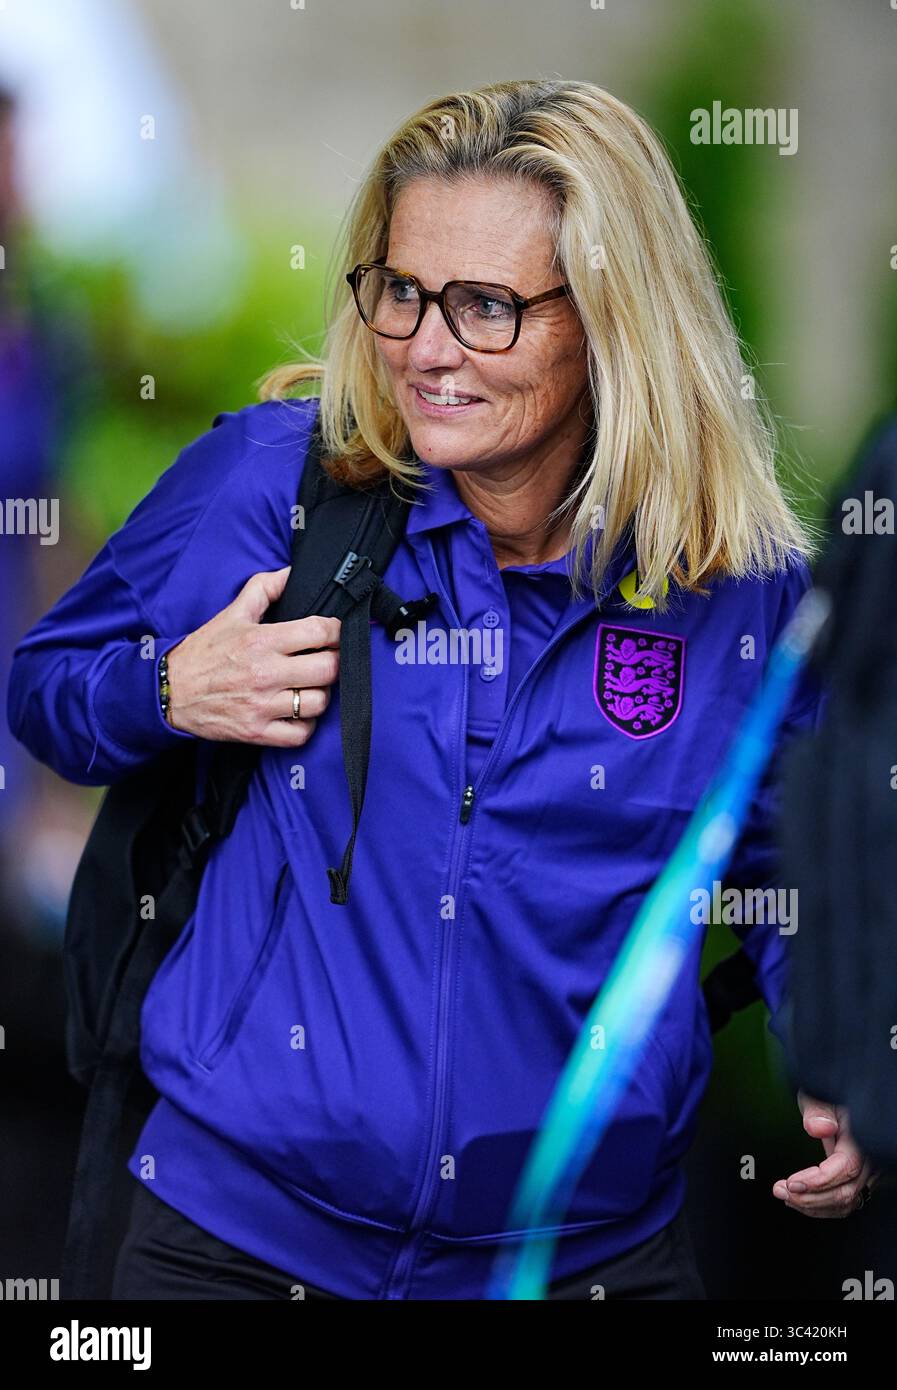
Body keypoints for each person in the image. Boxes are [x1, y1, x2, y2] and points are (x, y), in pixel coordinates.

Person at [6, 79, 871, 1301]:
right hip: (232, 1247)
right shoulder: (275, 487)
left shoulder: (743, 595)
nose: (423, 347)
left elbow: (793, 861)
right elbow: (47, 689)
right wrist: (168, 688)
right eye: (403, 292)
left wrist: (835, 1039)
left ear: (615, 320)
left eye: (485, 307)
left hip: (585, 1264)